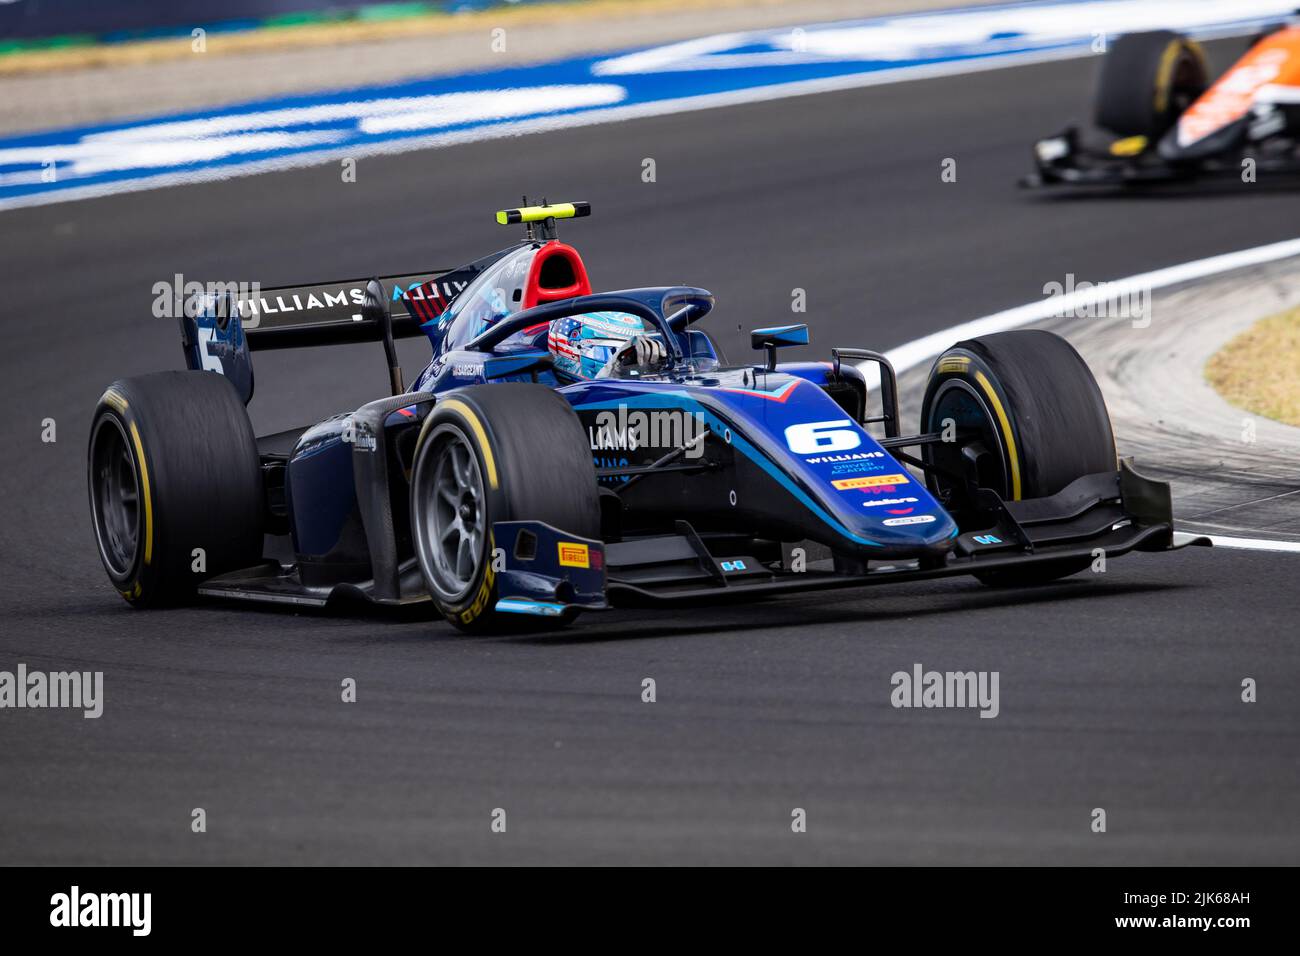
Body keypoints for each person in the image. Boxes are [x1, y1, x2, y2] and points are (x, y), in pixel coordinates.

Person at [547, 310, 668, 380]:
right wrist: (614, 369)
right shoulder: (550, 399)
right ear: (572, 347)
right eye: (613, 350)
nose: (627, 360)